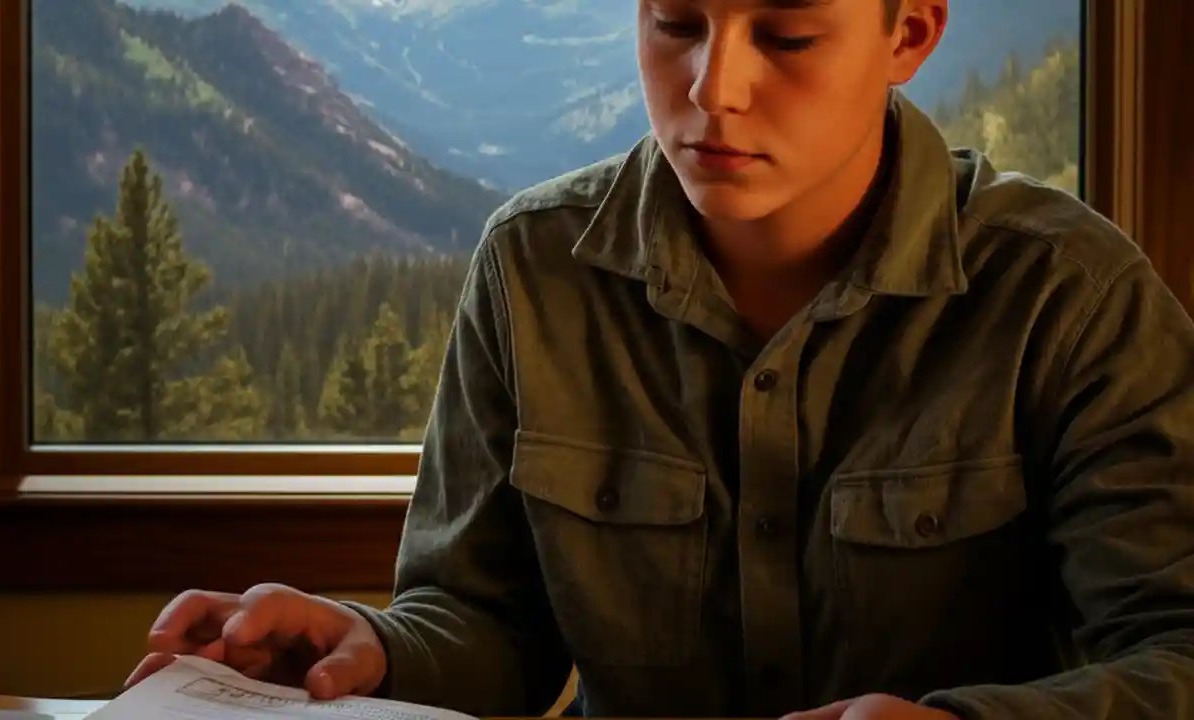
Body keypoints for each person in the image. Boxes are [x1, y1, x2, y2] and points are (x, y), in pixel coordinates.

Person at [125, 0, 1194, 717]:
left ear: (906, 33)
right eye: (675, 22)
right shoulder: (531, 269)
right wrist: (368, 644)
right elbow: (490, 626)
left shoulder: (1067, 295)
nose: (712, 86)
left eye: (783, 35)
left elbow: (1175, 648)